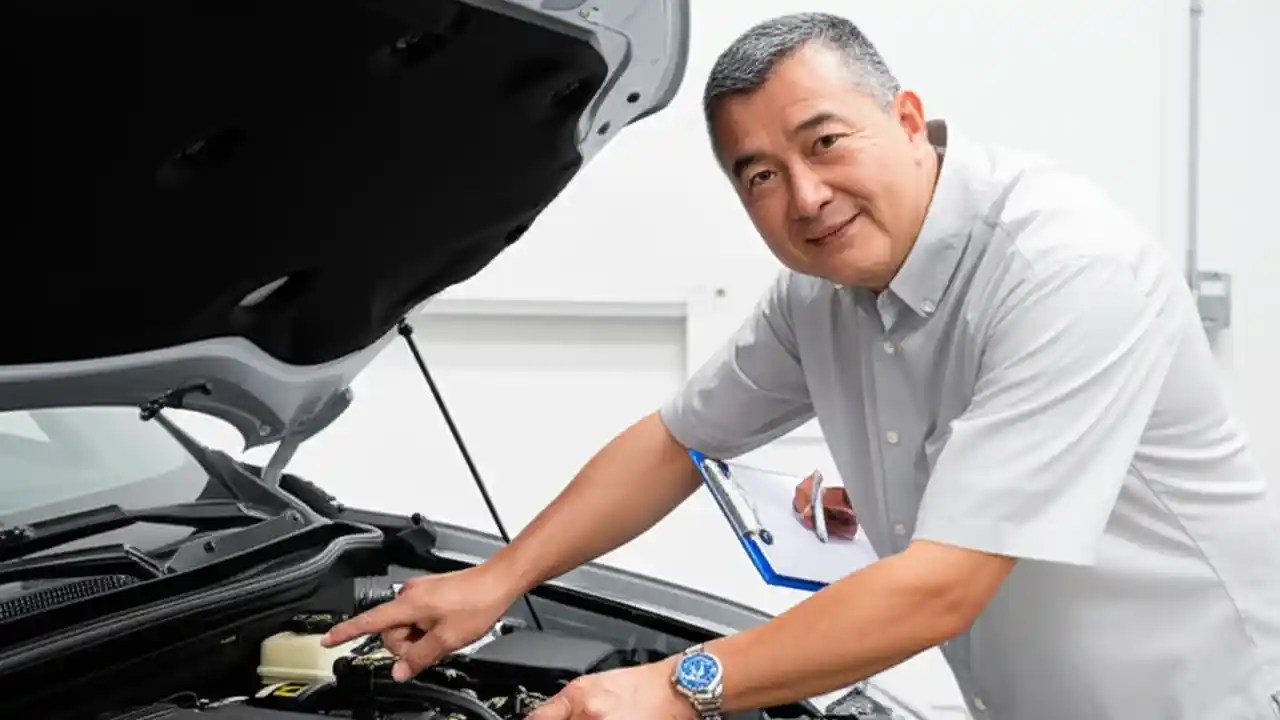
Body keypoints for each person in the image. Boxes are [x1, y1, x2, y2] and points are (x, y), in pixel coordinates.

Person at [322, 11, 1280, 719]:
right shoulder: (816, 296)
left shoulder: (1066, 269)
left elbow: (943, 585)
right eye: (761, 176)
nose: (807, 197)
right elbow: (675, 443)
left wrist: (679, 685)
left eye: (825, 142)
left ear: (907, 117)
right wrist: (495, 581)